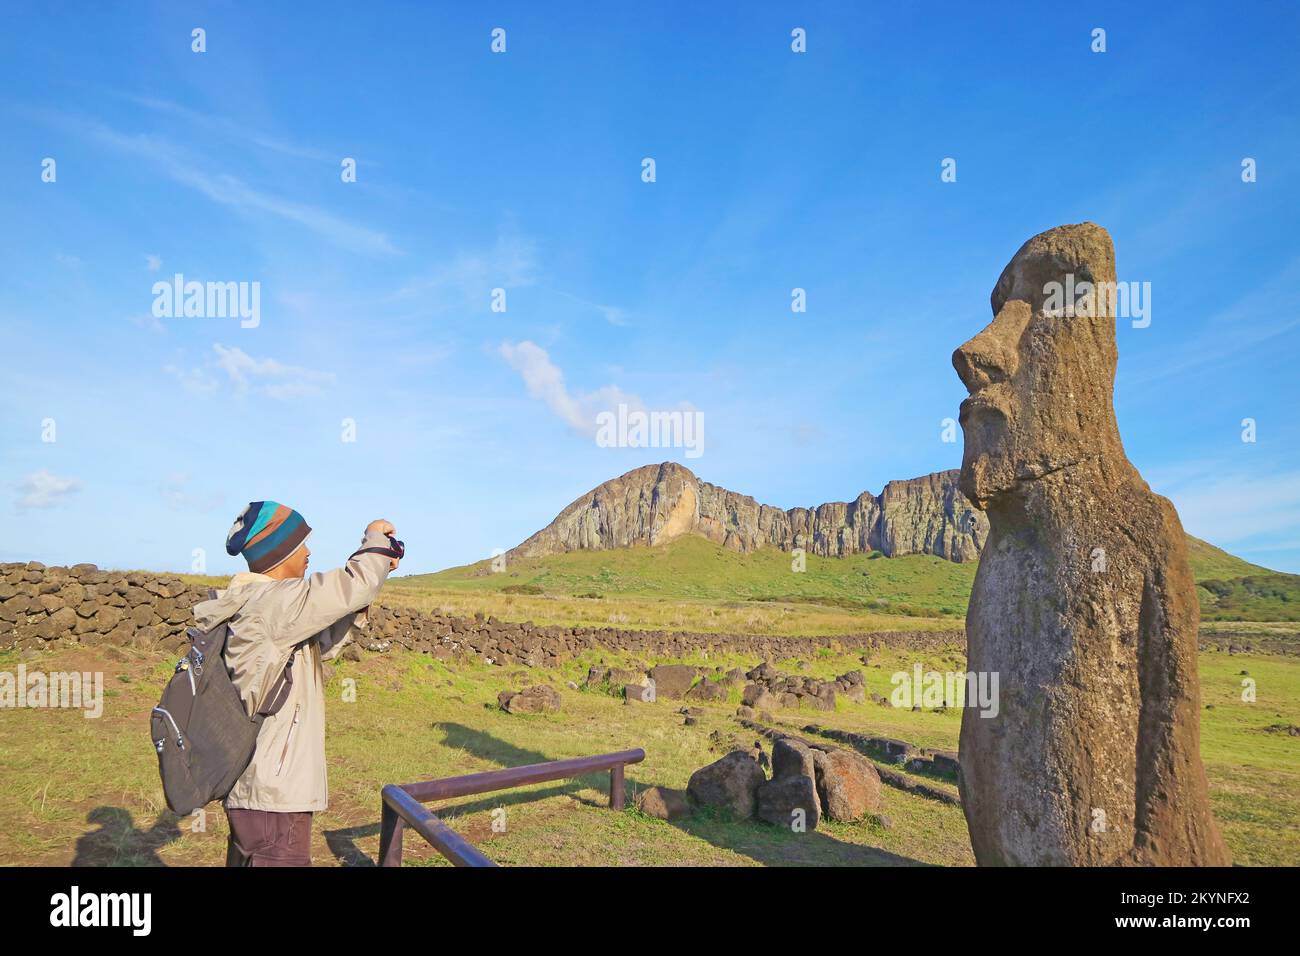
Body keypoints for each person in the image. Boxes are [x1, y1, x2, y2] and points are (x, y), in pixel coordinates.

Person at [191, 501, 400, 866]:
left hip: (260, 789)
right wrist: (375, 539)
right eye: (301, 544)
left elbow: (319, 644)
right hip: (274, 796)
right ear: (281, 552)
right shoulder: (272, 603)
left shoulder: (261, 604)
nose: (308, 553)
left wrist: (372, 569)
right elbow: (353, 586)